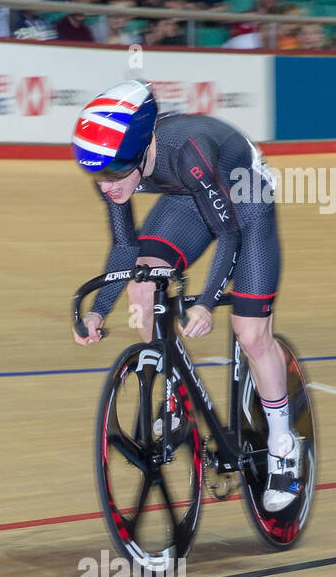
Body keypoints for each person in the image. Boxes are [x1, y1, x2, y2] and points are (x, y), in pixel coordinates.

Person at [71, 80, 302, 512]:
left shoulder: (188, 150)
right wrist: (100, 311)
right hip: (187, 198)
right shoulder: (115, 165)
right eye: (96, 175)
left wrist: (207, 302)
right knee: (142, 282)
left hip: (243, 200)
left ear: (140, 152)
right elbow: (125, 248)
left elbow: (228, 233)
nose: (105, 186)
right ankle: (174, 389)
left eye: (112, 174)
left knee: (251, 334)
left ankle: (283, 446)